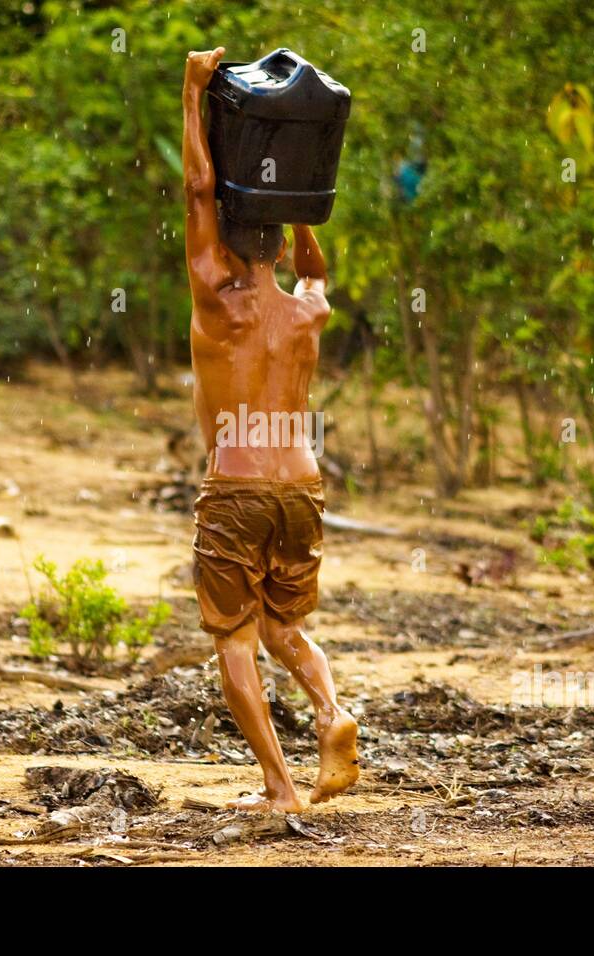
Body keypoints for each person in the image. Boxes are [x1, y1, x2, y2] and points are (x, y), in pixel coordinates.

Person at [182, 47, 359, 813]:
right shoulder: (309, 307)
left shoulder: (215, 302)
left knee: (235, 640)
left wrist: (192, 95)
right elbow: (317, 263)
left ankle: (281, 786)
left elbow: (195, 189)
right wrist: (297, 199)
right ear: (285, 243)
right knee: (285, 625)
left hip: (240, 485)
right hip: (303, 484)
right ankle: (332, 712)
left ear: (228, 239)